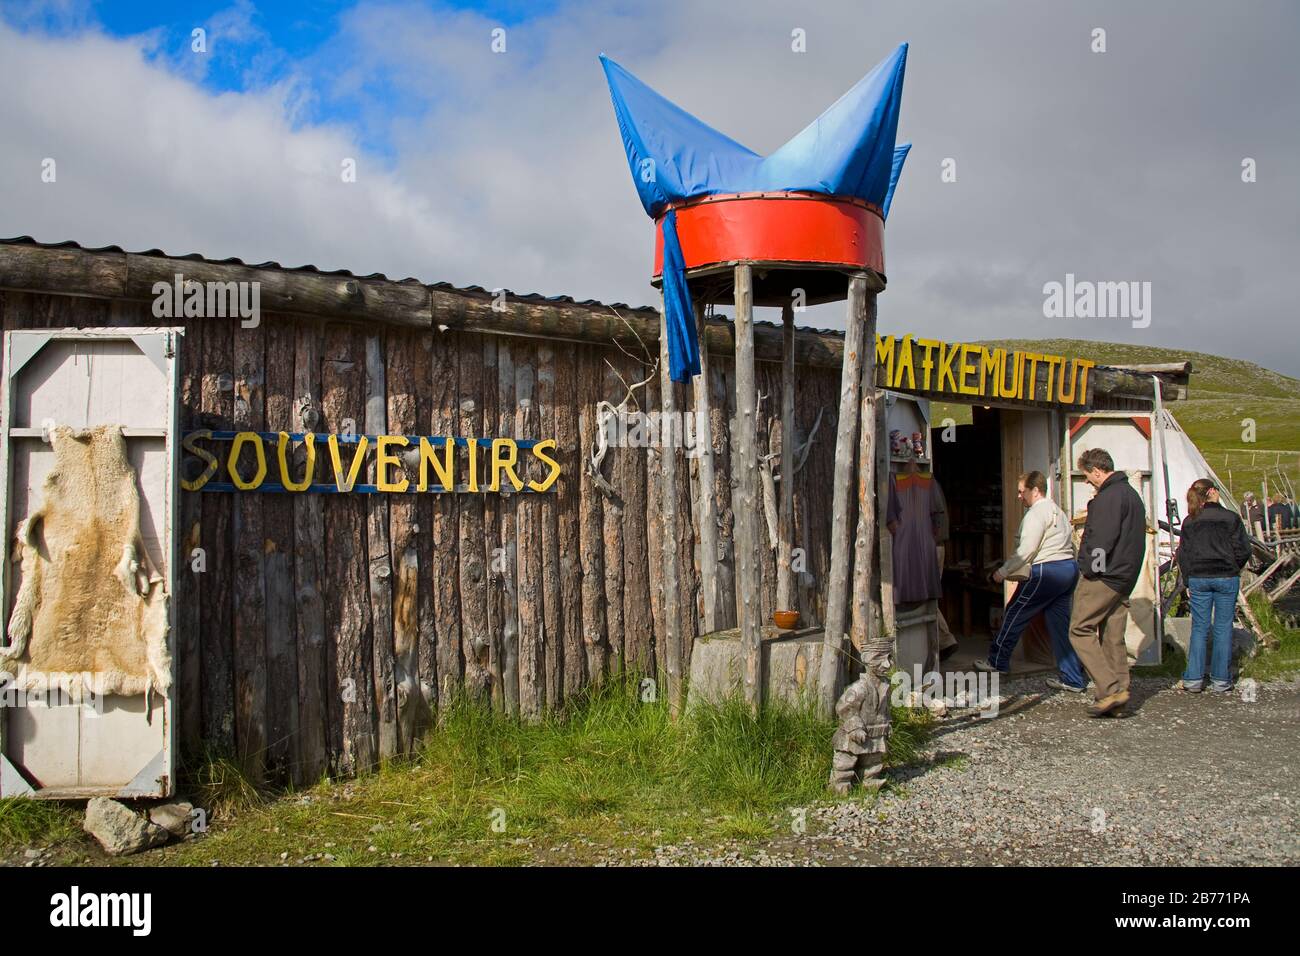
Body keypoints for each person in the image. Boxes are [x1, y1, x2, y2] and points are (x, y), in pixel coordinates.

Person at [975, 471, 1088, 693]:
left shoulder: (1036, 513)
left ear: (1035, 490)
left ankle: (997, 661)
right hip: (1067, 569)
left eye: (1021, 491)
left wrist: (1003, 571)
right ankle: (1073, 677)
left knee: (1015, 612)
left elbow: (1027, 549)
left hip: (1047, 571)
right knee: (1059, 625)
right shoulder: (1058, 511)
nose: (1019, 496)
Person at [1068, 448, 1148, 717]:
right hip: (1125, 576)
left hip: (1104, 577)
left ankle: (1110, 688)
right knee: (1113, 636)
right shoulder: (1133, 496)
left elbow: (1101, 539)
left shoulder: (1108, 498)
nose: (1088, 481)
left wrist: (1090, 569)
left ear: (1098, 471)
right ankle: (1120, 700)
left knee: (1079, 629)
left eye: (1088, 476)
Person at [1176, 478, 1251, 693]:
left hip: (1199, 577)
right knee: (1223, 627)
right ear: (1212, 492)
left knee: (1199, 628)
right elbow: (1243, 550)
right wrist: (1233, 566)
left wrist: (1188, 579)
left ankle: (1193, 679)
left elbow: (1184, 554)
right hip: (1226, 576)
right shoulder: (1230, 518)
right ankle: (1220, 679)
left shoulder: (1190, 521)